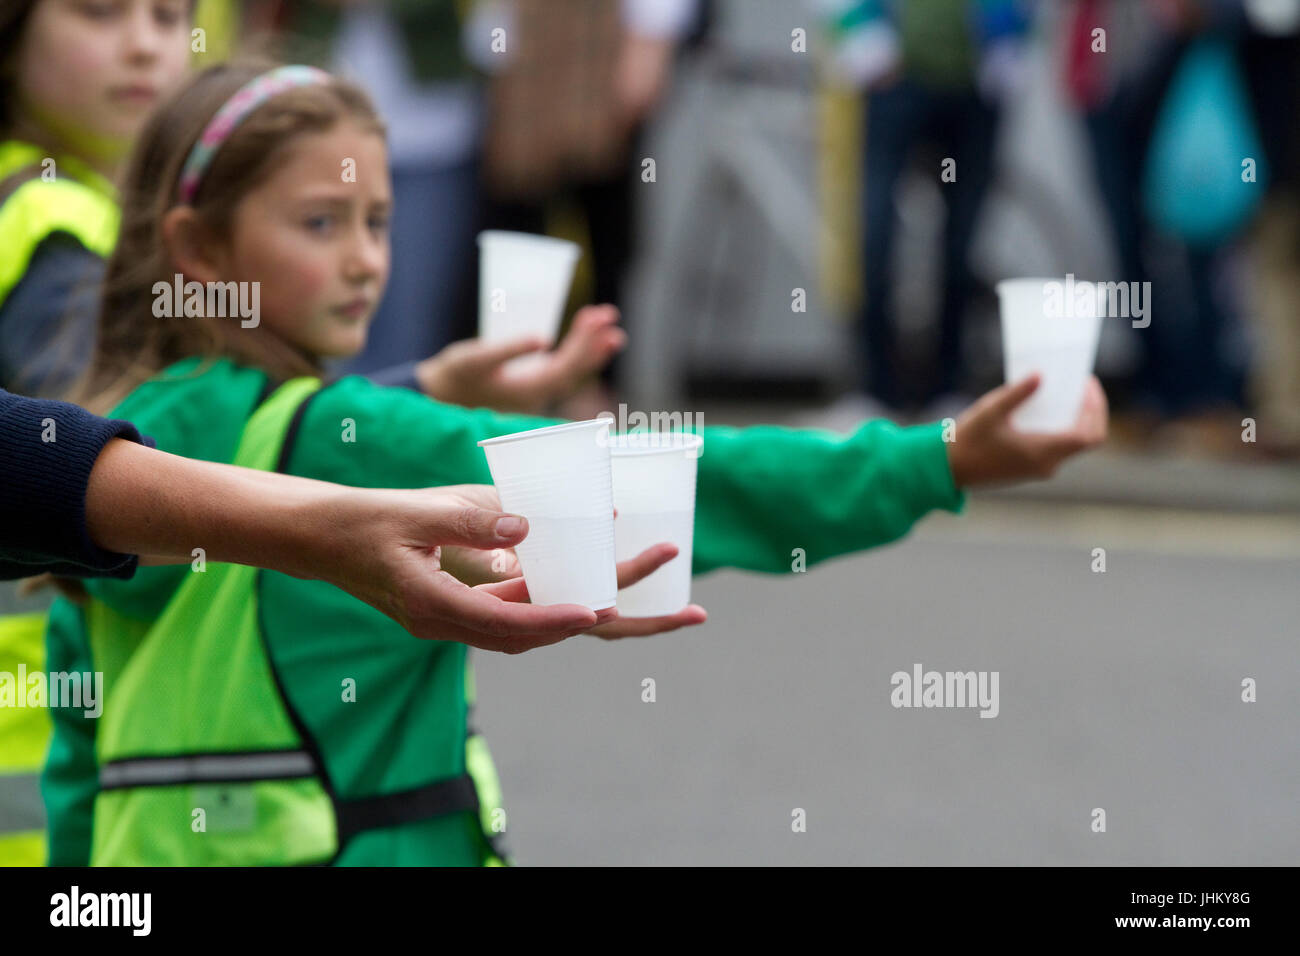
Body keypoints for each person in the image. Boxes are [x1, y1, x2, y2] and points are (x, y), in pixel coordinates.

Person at [45, 62, 1106, 868]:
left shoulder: (100, 469)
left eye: (378, 220)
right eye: (321, 222)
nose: (367, 257)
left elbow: (76, 756)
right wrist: (942, 453)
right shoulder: (350, 435)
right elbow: (690, 477)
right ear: (199, 249)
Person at [0, 0, 622, 410]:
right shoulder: (49, 219)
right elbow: (120, 460)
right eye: (99, 12)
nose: (143, 45)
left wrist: (428, 387)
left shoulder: (96, 196)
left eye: (168, 16)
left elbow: (218, 444)